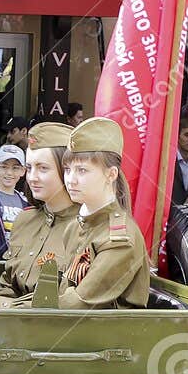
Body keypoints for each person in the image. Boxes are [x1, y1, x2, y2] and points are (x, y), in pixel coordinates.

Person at [56, 117, 151, 308]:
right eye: (68, 169)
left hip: (104, 335)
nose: (70, 180)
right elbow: (58, 293)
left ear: (111, 174)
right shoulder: (75, 227)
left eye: (82, 170)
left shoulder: (120, 239)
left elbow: (77, 304)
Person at [0, 122, 79, 308]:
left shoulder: (85, 228)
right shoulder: (25, 219)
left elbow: (61, 305)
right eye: (29, 168)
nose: (32, 177)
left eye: (43, 168)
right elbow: (8, 287)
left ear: (67, 171)